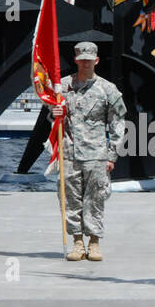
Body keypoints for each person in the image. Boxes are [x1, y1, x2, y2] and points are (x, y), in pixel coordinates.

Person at [48, 41, 127, 263]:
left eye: (89, 60)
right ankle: (77, 242)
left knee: (95, 199)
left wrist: (112, 154)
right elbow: (53, 121)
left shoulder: (108, 89)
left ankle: (93, 242)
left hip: (96, 154)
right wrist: (54, 113)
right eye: (81, 59)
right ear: (76, 60)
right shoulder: (62, 87)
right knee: (70, 199)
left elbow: (118, 123)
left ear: (96, 60)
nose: (85, 63)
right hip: (69, 152)